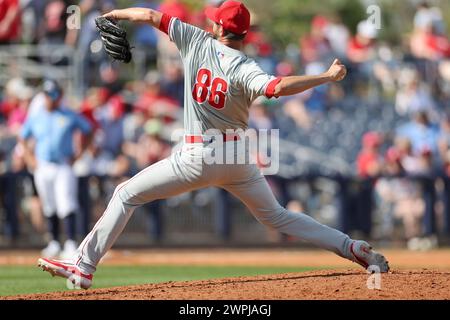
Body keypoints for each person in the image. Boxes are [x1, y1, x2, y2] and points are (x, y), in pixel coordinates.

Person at [37, 1, 389, 289]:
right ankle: (351, 247)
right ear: (244, 34)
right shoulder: (246, 65)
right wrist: (327, 76)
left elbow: (148, 15)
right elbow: (278, 88)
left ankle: (83, 267)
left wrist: (115, 14)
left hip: (198, 154)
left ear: (220, 28)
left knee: (126, 194)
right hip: (237, 156)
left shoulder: (195, 39)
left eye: (215, 22)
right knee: (278, 216)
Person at [19, 79, 92, 259]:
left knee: (66, 203)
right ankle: (53, 242)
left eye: (54, 95)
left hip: (63, 164)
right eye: (48, 95)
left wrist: (79, 154)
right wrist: (29, 158)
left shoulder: (68, 114)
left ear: (59, 97)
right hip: (43, 165)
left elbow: (88, 130)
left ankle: (69, 242)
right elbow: (22, 137)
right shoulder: (36, 116)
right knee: (49, 204)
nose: (51, 99)